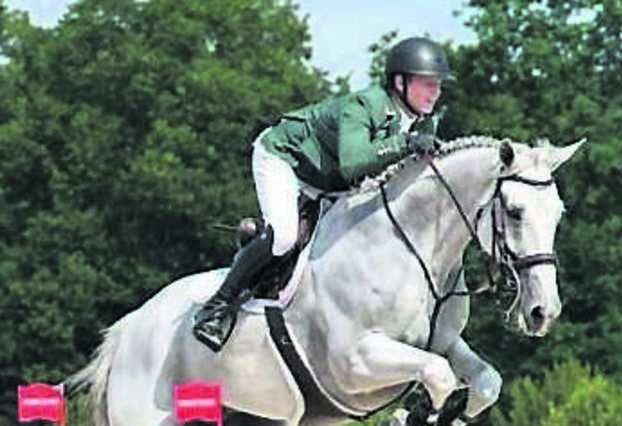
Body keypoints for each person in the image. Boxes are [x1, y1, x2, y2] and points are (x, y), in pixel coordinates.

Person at [192, 36, 453, 351]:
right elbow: (353, 165)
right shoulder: (364, 105)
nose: (434, 93)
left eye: (437, 85)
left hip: (329, 180)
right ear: (400, 82)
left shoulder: (425, 123)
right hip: (286, 159)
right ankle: (217, 307)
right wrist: (403, 145)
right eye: (427, 84)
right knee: (285, 238)